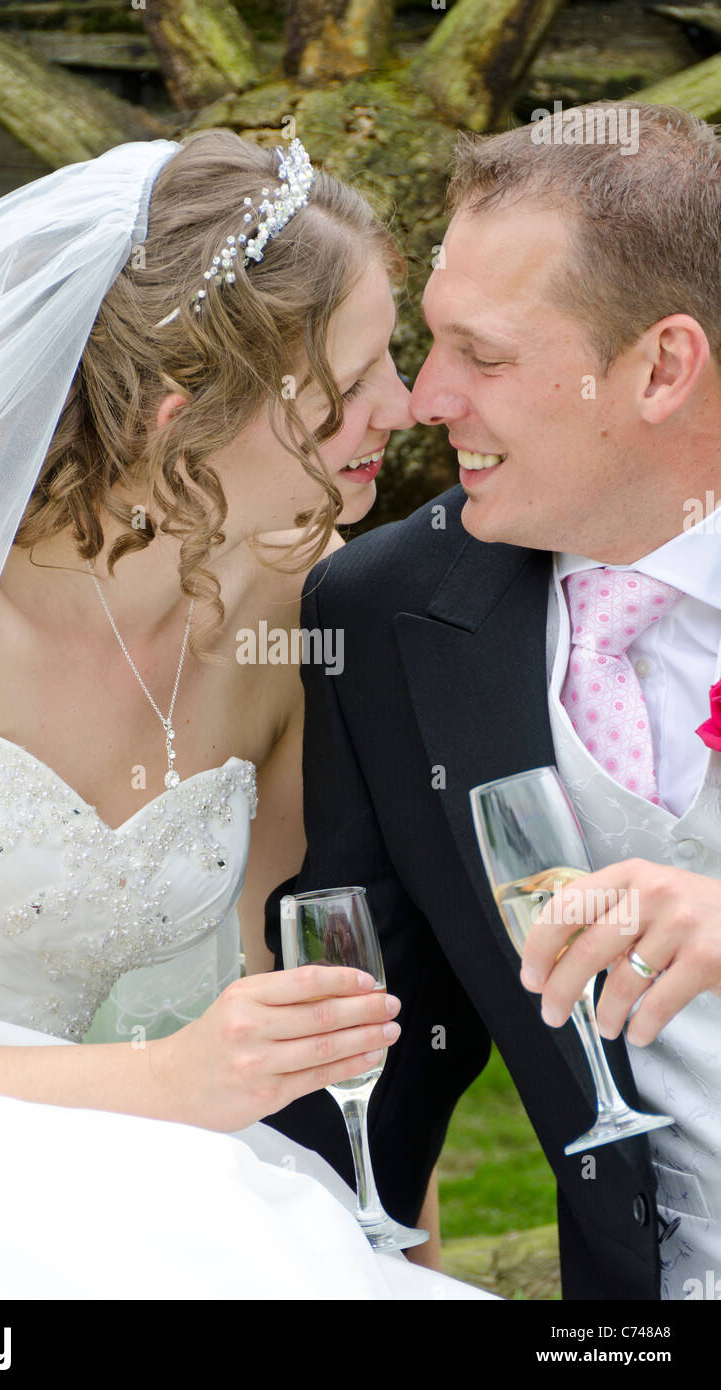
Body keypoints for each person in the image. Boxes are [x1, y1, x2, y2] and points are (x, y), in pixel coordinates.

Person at [0, 130, 493, 1299]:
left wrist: (382, 1234)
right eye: (352, 385)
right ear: (179, 414)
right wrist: (158, 1088)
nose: (405, 406)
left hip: (124, 1152)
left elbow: (319, 980)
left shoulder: (302, 605)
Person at [264, 101, 721, 1301]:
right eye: (430, 342)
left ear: (663, 366)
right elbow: (375, 1048)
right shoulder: (382, 612)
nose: (425, 399)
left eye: (488, 355)